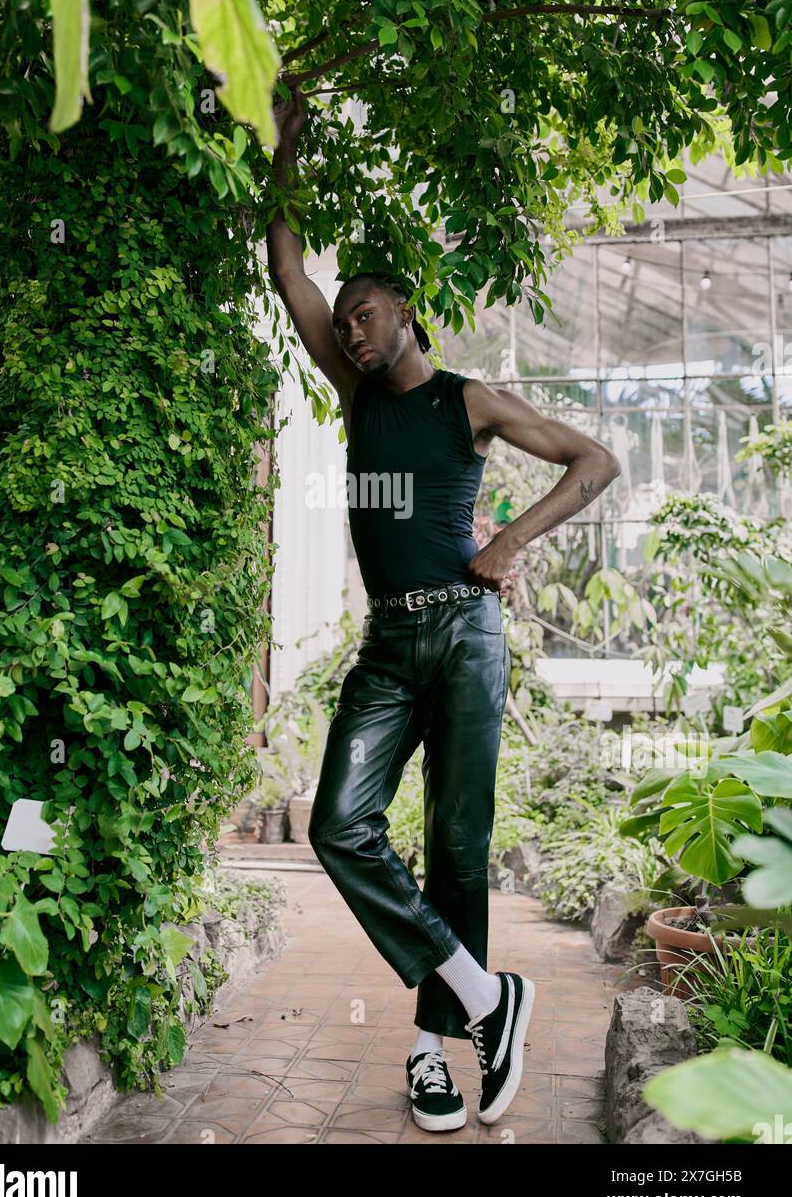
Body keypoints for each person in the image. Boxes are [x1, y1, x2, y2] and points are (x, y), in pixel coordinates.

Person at [265, 88, 621, 1132]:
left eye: (362, 313)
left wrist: (507, 542)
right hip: (386, 643)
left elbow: (593, 460)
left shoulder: (466, 400)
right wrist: (284, 148)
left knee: (458, 849)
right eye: (342, 324)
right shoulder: (355, 392)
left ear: (407, 309)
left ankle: (431, 1054)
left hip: (465, 637)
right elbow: (288, 272)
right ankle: (480, 996)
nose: (347, 328)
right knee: (339, 823)